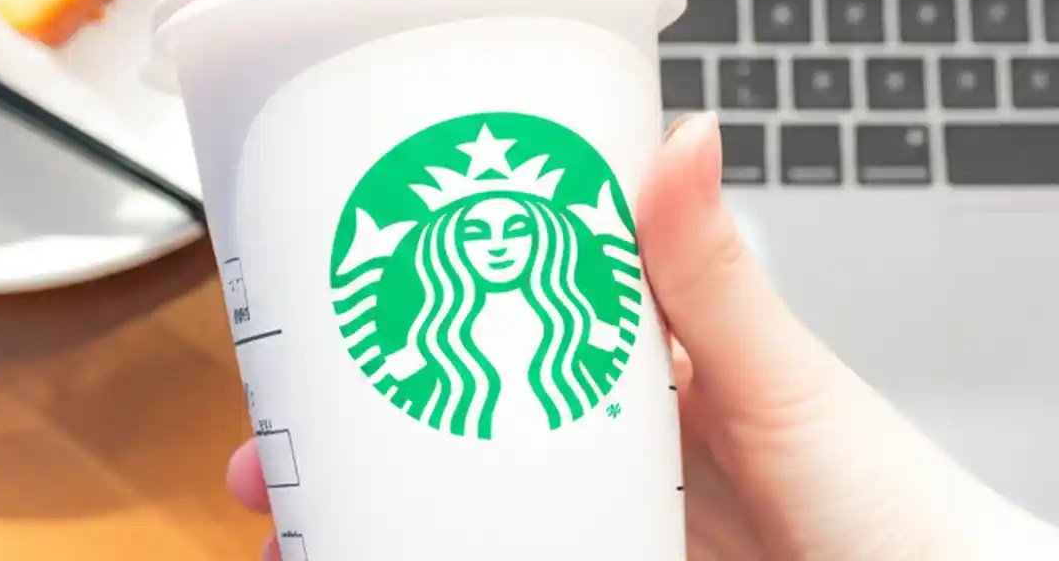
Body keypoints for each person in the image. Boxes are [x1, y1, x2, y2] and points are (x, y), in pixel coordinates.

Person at [225, 113, 1059, 560]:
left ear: (549, 236)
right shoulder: (434, 351)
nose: (497, 244)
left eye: (516, 226)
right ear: (444, 249)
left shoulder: (567, 333)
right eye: (475, 232)